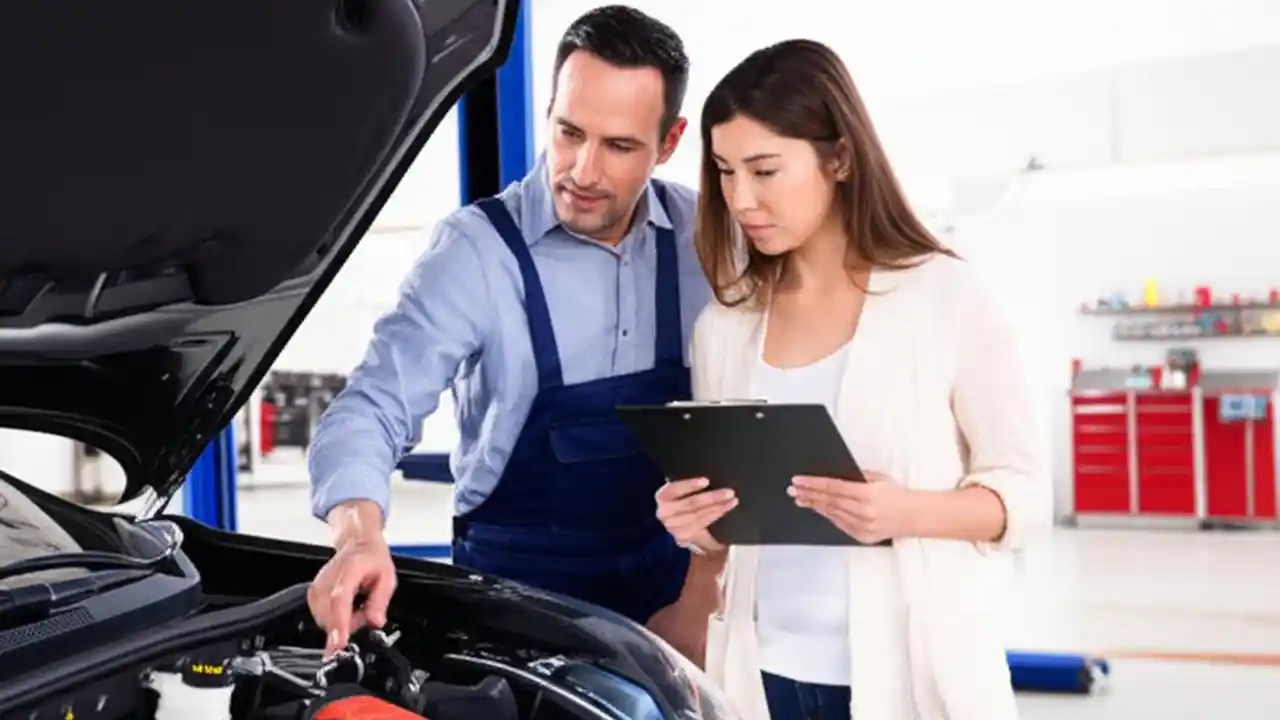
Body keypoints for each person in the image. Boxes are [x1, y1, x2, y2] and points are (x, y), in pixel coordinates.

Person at [306, 5, 717, 663]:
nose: (583, 171)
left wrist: (703, 598)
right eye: (569, 132)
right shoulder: (475, 253)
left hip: (667, 609)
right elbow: (371, 407)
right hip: (513, 605)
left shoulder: (708, 240)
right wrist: (358, 534)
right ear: (549, 111)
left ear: (668, 143)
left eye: (618, 146)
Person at [656, 39, 1049, 720]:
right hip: (762, 675)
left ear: (838, 157)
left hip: (910, 674)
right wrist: (696, 522)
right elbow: (728, 530)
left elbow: (1028, 497)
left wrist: (903, 512)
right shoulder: (724, 327)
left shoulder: (944, 296)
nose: (741, 198)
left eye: (765, 170)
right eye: (724, 172)